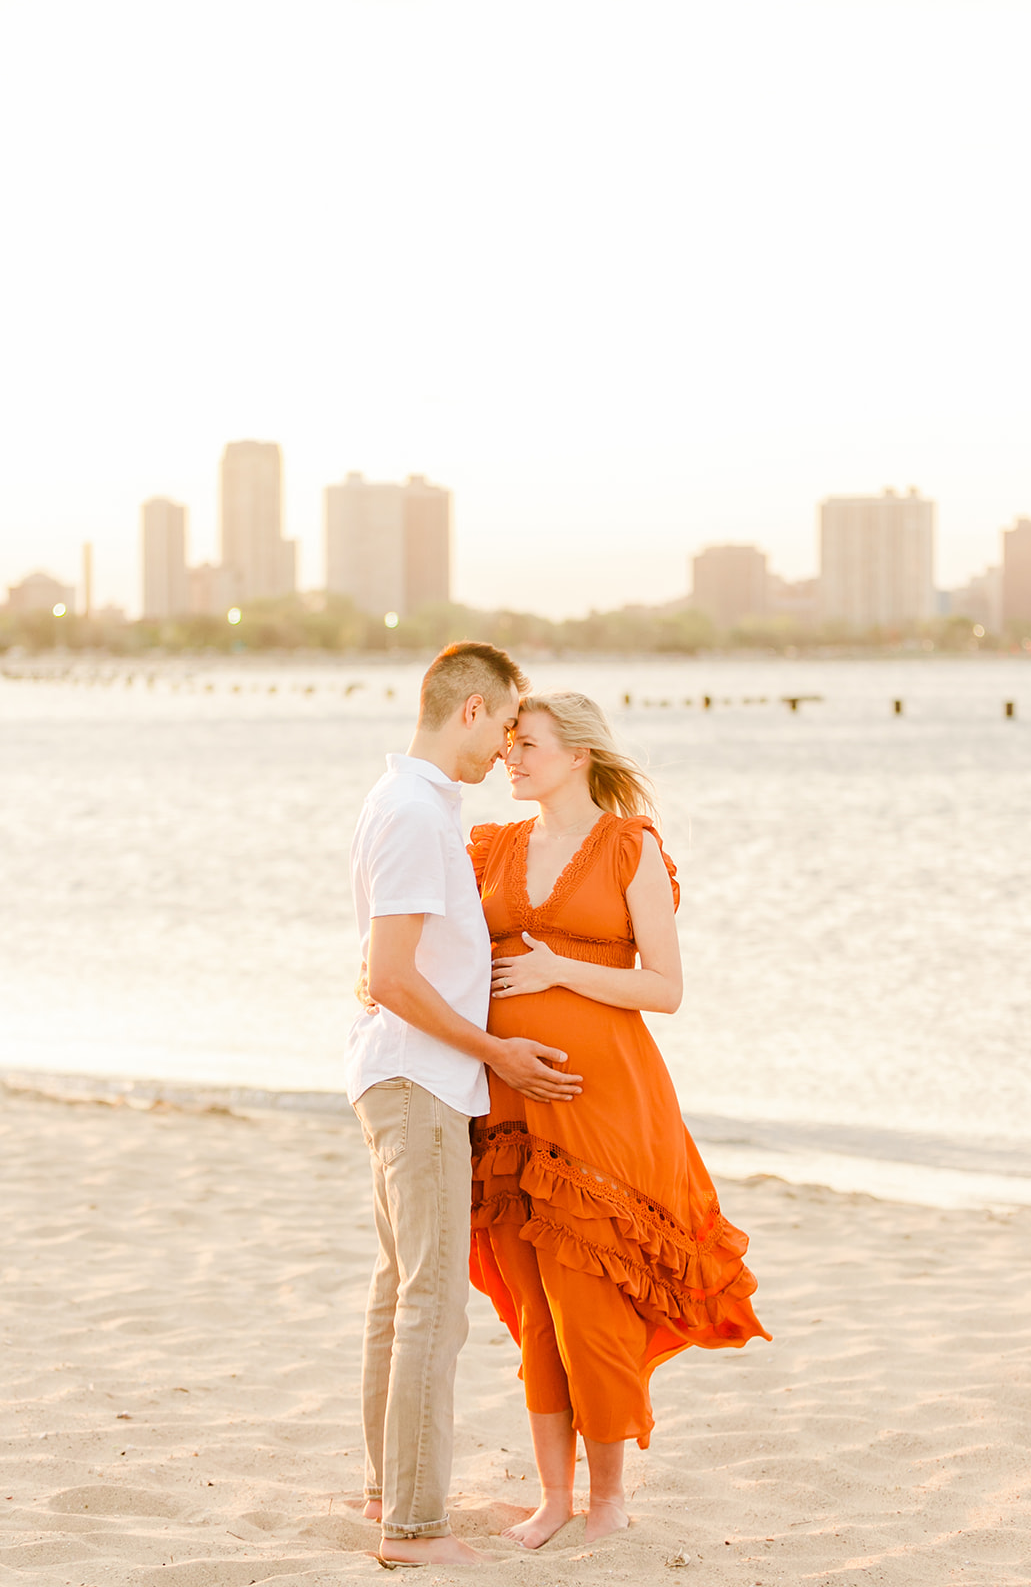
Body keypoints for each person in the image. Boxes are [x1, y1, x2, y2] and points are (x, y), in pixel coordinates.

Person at [467, 691, 771, 1549]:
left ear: (579, 754)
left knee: (589, 1301)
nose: (510, 760)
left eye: (526, 745)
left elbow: (664, 990)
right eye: (508, 746)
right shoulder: (488, 848)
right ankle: (552, 1499)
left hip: (604, 1106)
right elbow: (441, 948)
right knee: (532, 1302)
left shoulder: (627, 847)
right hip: (504, 1104)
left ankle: (607, 1504)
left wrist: (559, 969)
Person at [346, 643, 583, 1570]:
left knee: (397, 1297)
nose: (506, 756)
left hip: (400, 1072)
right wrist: (499, 1056)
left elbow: (383, 962)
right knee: (432, 1307)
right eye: (505, 730)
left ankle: (384, 1494)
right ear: (472, 710)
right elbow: (393, 974)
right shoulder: (410, 810)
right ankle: (412, 1526)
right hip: (418, 1081)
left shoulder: (409, 802)